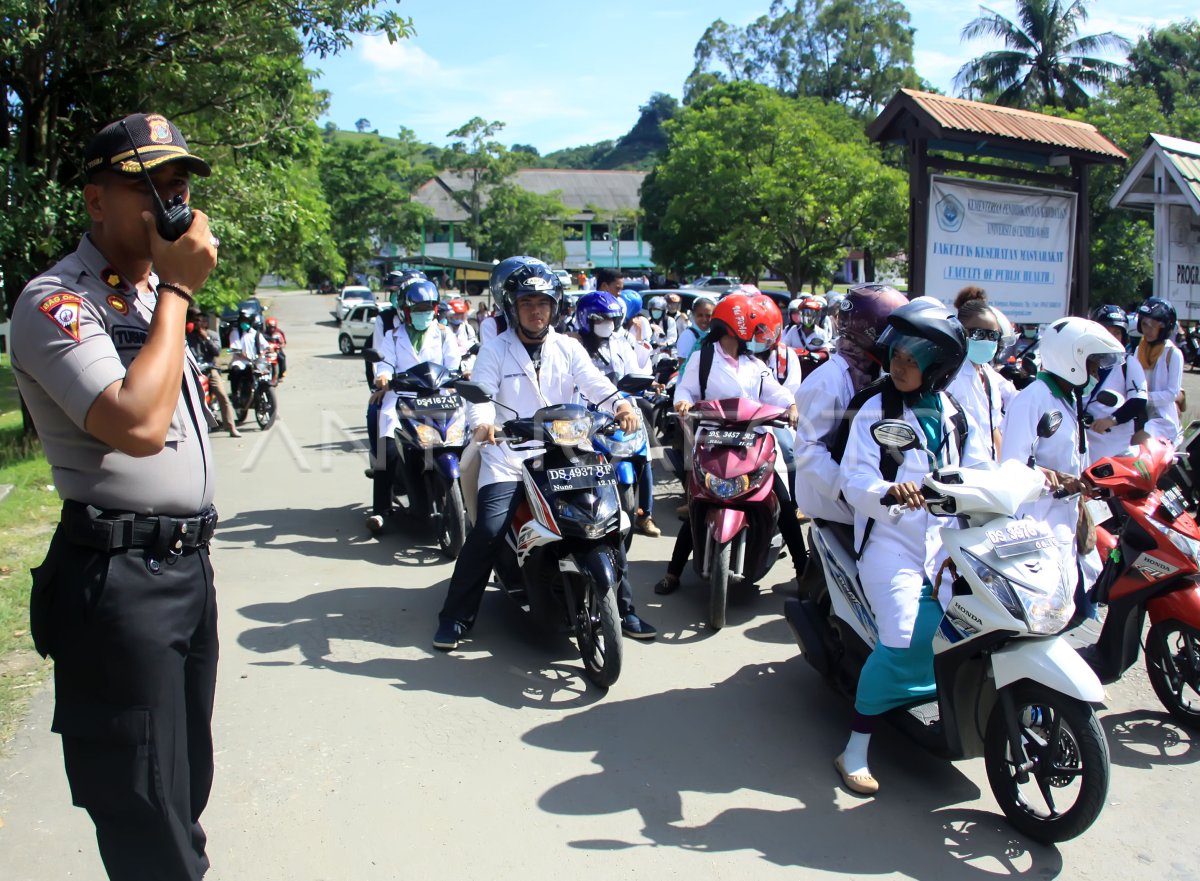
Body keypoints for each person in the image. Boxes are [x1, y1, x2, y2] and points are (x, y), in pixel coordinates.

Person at [11, 112, 220, 880]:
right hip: (121, 580)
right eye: (152, 187)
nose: (174, 205)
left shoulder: (146, 300)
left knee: (182, 788)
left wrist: (165, 294)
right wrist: (175, 290)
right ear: (97, 201)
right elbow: (134, 424)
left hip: (187, 571)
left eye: (180, 186)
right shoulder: (57, 302)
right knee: (143, 804)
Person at [433, 256, 656, 650]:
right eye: (527, 304)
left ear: (555, 307)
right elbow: (481, 396)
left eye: (543, 304)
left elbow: (595, 383)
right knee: (488, 529)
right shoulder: (495, 349)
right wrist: (483, 425)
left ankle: (625, 609)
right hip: (510, 454)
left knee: (609, 523)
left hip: (569, 450)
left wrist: (620, 405)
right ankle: (456, 617)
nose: (536, 312)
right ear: (511, 307)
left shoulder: (568, 347)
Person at [835, 302, 985, 795]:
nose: (899, 365)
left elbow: (981, 469)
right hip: (889, 543)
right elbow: (853, 479)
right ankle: (855, 747)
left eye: (913, 358)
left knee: (977, 630)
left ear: (939, 369)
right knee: (900, 637)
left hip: (948, 544)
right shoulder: (874, 409)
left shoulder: (955, 414)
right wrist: (887, 492)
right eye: (897, 353)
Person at [653, 292, 805, 595]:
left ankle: (804, 572)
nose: (760, 332)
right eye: (754, 325)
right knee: (700, 499)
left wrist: (791, 406)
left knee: (783, 502)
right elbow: (685, 389)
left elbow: (775, 392)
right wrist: (683, 403)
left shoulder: (754, 363)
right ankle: (673, 572)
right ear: (736, 325)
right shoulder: (703, 357)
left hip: (752, 439)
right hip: (713, 438)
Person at [1000, 317, 1126, 622]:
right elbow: (1012, 466)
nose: (1096, 373)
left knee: (1076, 608)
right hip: (1038, 522)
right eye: (1092, 364)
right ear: (1073, 359)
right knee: (1050, 614)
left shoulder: (1070, 398)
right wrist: (1056, 481)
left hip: (1066, 521)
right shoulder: (1033, 399)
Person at [792, 283, 909, 525]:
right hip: (833, 502)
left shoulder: (871, 372)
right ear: (873, 332)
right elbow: (808, 450)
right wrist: (855, 490)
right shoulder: (828, 381)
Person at [367, 276, 461, 533]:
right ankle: (381, 510)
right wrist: (383, 375)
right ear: (406, 311)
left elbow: (454, 364)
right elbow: (384, 363)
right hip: (401, 398)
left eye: (428, 309)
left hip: (440, 396)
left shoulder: (444, 334)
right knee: (388, 447)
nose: (424, 314)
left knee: (466, 439)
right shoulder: (393, 336)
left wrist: (462, 374)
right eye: (418, 309)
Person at [574, 290, 660, 537]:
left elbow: (633, 371)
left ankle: (646, 514)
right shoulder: (575, 345)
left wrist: (648, 383)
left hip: (624, 411)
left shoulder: (621, 342)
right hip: (589, 416)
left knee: (644, 458)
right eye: (600, 319)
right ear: (586, 319)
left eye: (611, 319)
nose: (607, 324)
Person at [946, 287, 1007, 459]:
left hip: (989, 471)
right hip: (961, 470)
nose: (986, 341)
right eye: (978, 334)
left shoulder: (989, 376)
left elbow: (993, 427)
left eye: (993, 335)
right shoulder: (950, 376)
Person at [1085, 305, 1148, 463]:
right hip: (1083, 439)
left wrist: (1111, 420)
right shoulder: (1084, 360)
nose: (1112, 337)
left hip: (1114, 445)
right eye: (1107, 331)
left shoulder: (1129, 363)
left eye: (1117, 332)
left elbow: (1138, 400)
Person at [1135, 297, 1184, 445]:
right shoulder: (1139, 350)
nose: (1148, 330)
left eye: (1153, 326)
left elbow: (1172, 393)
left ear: (1164, 328)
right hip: (1139, 414)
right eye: (1144, 324)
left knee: (1137, 440)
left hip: (1163, 420)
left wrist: (1143, 398)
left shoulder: (1173, 354)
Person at [186, 308, 239, 437]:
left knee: (222, 395)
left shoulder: (212, 335)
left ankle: (231, 427)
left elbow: (216, 352)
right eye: (196, 320)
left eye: (201, 320)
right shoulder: (187, 336)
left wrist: (206, 338)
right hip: (195, 371)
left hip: (210, 370)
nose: (198, 323)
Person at [676, 294, 715, 362]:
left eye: (708, 316)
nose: (704, 319)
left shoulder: (714, 334)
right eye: (700, 315)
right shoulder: (688, 336)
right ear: (693, 314)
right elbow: (683, 366)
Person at [263, 315, 287, 381]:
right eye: (270, 327)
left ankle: (282, 374)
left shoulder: (279, 333)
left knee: (281, 357)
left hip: (276, 350)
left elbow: (283, 342)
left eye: (273, 327)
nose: (271, 329)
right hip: (266, 350)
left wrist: (280, 346)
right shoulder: (263, 334)